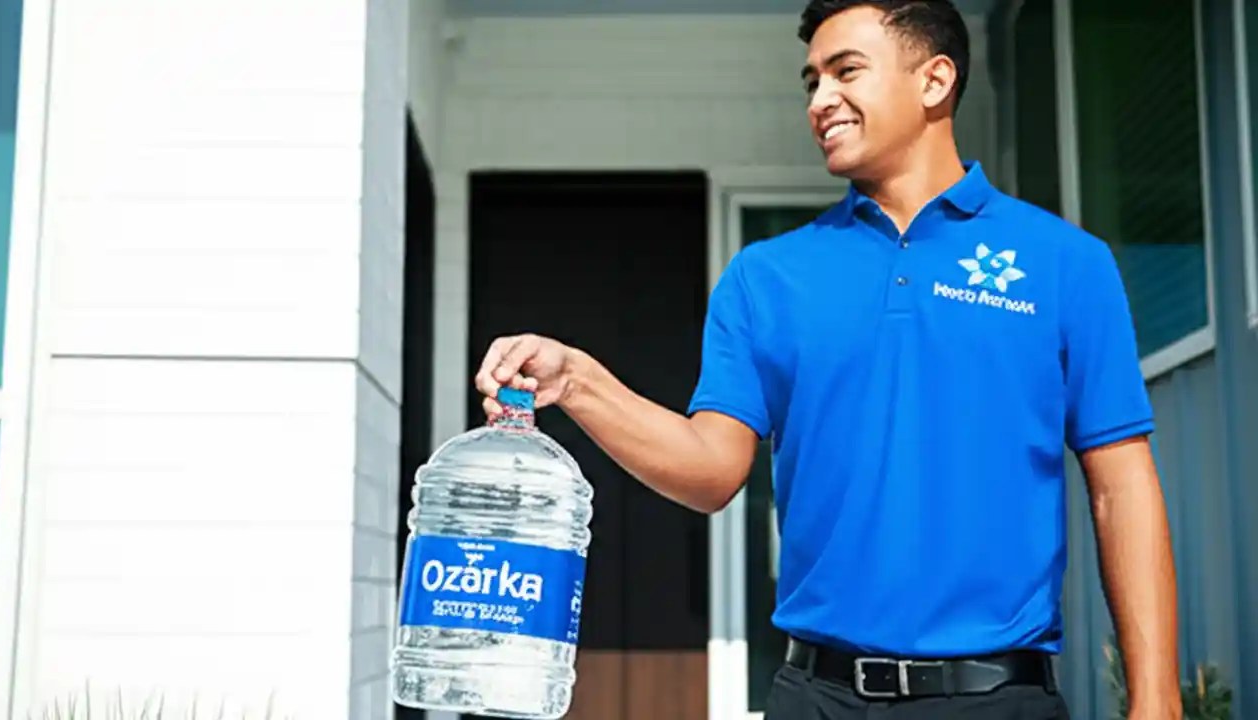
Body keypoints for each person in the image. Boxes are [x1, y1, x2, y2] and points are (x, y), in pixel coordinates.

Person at [473, 1, 1182, 717]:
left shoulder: (1065, 263)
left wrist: (1157, 700)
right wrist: (580, 381)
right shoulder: (766, 276)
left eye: (846, 72)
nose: (821, 100)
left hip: (997, 698)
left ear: (935, 80)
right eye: (811, 81)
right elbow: (712, 471)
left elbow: (1119, 486)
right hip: (815, 697)